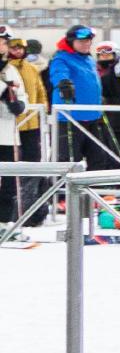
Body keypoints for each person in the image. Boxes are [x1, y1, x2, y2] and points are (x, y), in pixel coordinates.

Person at [46, 27, 117, 171]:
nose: (86, 44)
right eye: (82, 41)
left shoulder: (89, 59)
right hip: (70, 118)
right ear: (71, 42)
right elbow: (58, 72)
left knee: (99, 158)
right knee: (69, 160)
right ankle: (62, 192)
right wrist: (64, 83)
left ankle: (94, 192)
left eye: (88, 41)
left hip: (92, 117)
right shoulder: (61, 57)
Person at [8, 36, 49, 217]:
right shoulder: (6, 69)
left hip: (31, 124)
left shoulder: (31, 68)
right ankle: (11, 209)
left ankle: (31, 208)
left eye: (20, 48)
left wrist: (43, 111)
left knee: (32, 163)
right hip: (11, 126)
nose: (17, 51)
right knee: (11, 166)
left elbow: (40, 92)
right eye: (13, 48)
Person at [0, 48, 27, 228]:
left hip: (7, 134)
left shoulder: (10, 69)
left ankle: (5, 223)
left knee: (9, 183)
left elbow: (22, 94)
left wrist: (19, 105)